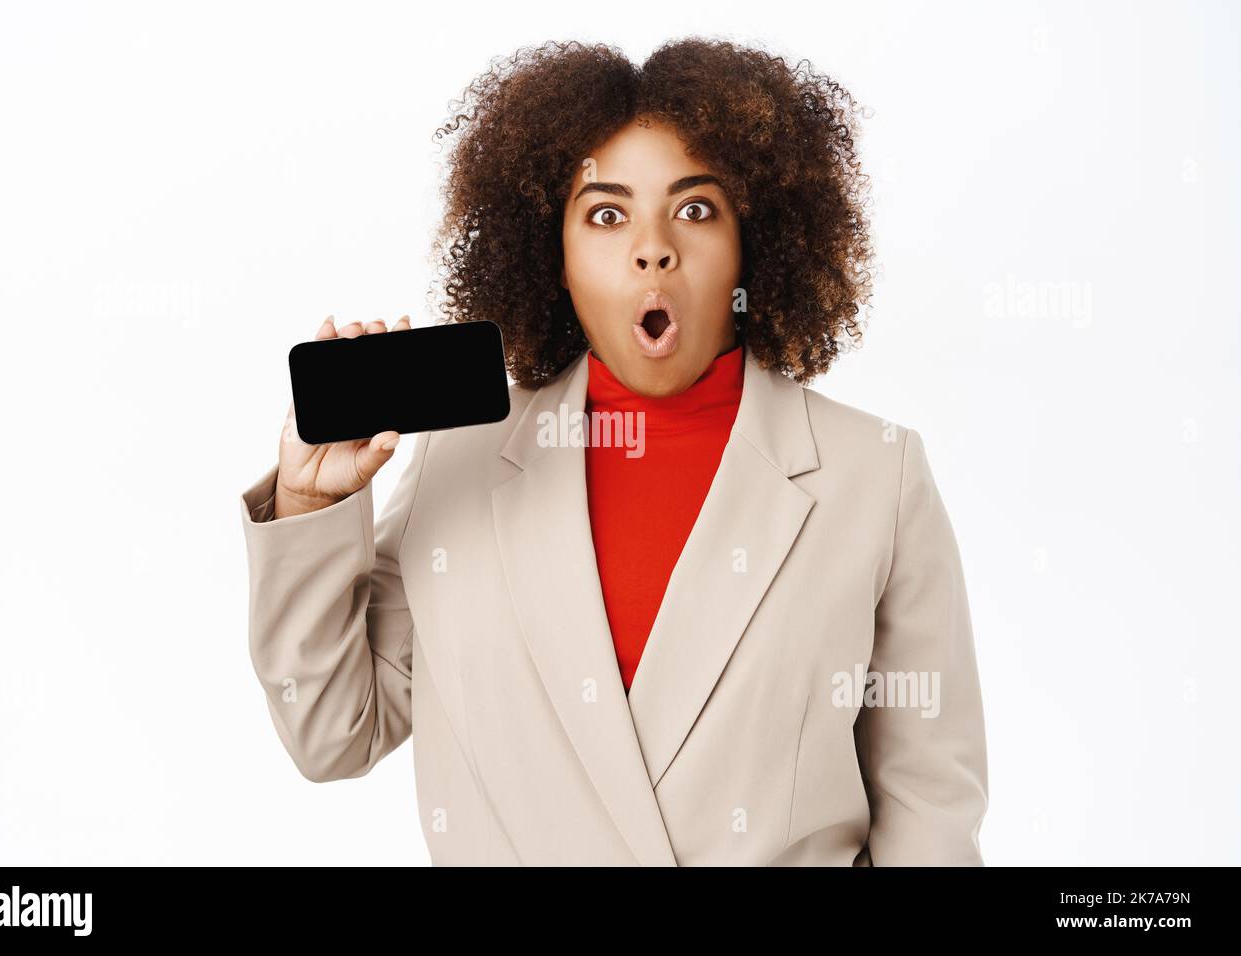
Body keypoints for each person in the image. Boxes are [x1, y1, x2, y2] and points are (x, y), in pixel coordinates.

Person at [239, 38, 988, 866]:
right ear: (551, 256)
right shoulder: (460, 462)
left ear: (754, 244)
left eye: (696, 209)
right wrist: (312, 508)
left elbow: (930, 806)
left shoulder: (874, 475)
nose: (652, 247)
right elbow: (332, 733)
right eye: (605, 213)